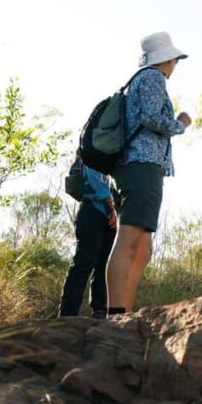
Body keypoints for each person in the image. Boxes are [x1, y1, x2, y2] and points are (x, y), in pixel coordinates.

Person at [106, 31, 192, 315]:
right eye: (174, 60)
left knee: (143, 250)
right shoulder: (153, 78)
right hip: (142, 166)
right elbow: (153, 118)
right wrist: (179, 123)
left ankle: (124, 313)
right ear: (165, 59)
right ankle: (116, 314)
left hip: (135, 167)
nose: (175, 66)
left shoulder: (137, 81)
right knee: (129, 240)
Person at [59, 163, 118, 319]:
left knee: (104, 266)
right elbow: (94, 177)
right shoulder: (93, 145)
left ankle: (99, 311)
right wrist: (112, 206)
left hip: (111, 218)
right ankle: (67, 315)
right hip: (92, 211)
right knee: (84, 262)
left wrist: (115, 211)